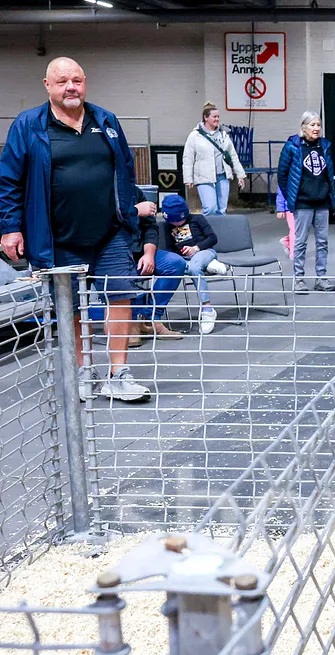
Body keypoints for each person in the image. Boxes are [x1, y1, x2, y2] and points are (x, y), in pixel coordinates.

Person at [0, 57, 149, 402]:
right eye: (63, 81)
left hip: (110, 232)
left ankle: (118, 375)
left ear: (85, 83)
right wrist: (10, 228)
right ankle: (83, 372)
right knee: (70, 308)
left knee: (120, 295)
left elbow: (125, 167)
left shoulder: (105, 119)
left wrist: (126, 212)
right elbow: (9, 180)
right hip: (57, 237)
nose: (71, 87)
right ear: (47, 85)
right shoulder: (28, 125)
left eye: (77, 80)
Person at [277, 111, 335, 294]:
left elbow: (329, 174)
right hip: (303, 202)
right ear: (303, 127)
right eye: (312, 125)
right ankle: (299, 279)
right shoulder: (293, 146)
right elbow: (282, 174)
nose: (316, 128)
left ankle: (321, 278)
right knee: (300, 242)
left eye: (318, 125)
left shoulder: (324, 146)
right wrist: (291, 196)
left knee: (322, 242)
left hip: (322, 202)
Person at [160, 194, 227, 334]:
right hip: (185, 259)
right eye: (174, 221)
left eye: (181, 220)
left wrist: (196, 248)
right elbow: (170, 249)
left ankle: (207, 308)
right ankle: (209, 266)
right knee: (192, 266)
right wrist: (180, 256)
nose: (178, 223)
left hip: (204, 251)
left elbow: (212, 238)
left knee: (194, 267)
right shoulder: (167, 226)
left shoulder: (198, 219)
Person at [129, 187, 186, 345]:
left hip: (140, 251)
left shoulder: (135, 192)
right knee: (122, 270)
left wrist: (148, 253)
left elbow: (150, 227)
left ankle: (150, 317)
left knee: (175, 263)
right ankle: (130, 321)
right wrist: (134, 211)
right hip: (115, 254)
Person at [183, 103, 246, 216]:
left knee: (222, 209)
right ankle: (207, 232)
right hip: (204, 177)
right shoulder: (195, 136)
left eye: (218, 117)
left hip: (222, 176)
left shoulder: (223, 134)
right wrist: (188, 178)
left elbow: (233, 155)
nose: (217, 119)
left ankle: (219, 232)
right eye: (214, 117)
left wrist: (240, 175)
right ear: (205, 117)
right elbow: (188, 157)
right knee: (210, 208)